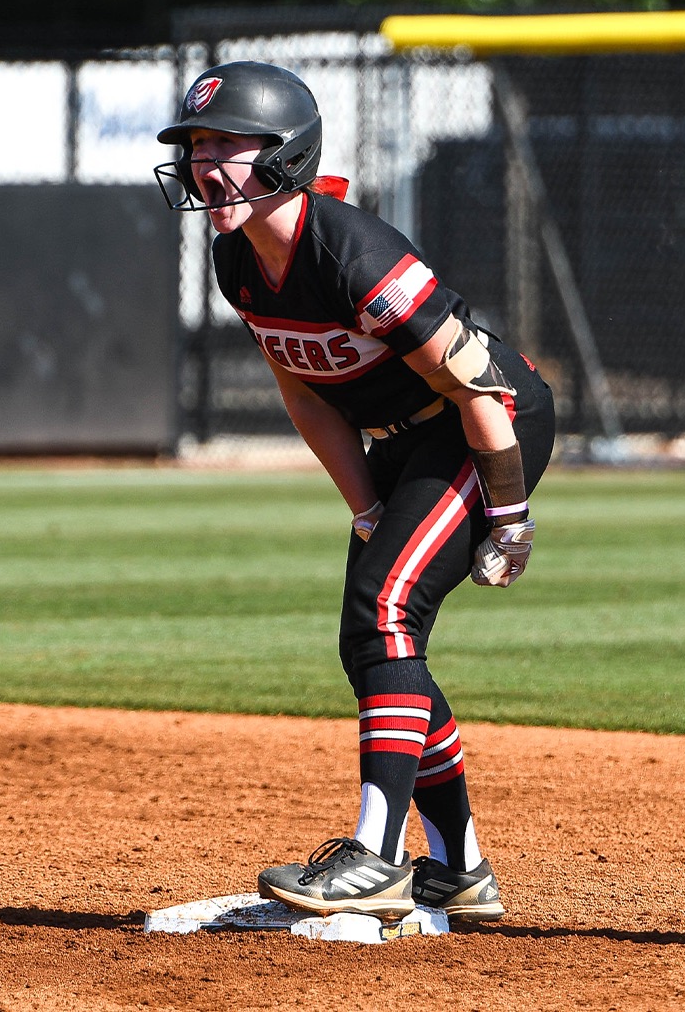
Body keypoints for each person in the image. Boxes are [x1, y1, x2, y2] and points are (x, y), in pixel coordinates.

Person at [153, 61, 554, 923]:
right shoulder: (237, 260)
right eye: (196, 146)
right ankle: (458, 867)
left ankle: (376, 856)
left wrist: (511, 518)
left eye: (227, 144)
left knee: (385, 614)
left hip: (485, 428)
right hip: (402, 441)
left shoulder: (354, 252)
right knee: (370, 642)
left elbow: (479, 388)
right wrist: (366, 507)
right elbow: (302, 388)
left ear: (288, 157)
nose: (204, 163)